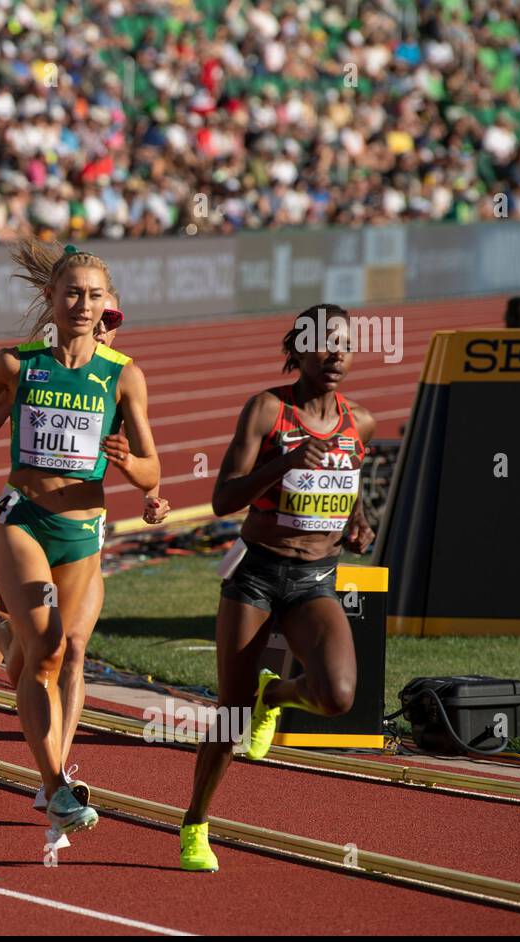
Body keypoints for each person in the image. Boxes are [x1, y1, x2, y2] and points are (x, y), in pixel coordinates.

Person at [0, 240, 161, 841]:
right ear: (50, 297)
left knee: (66, 652)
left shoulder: (124, 377)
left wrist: (130, 465)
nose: (82, 303)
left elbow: (153, 469)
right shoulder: (17, 364)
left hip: (84, 532)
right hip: (23, 519)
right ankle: (56, 788)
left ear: (107, 305)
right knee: (43, 651)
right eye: (72, 292)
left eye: (94, 295)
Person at [178, 303, 375, 872]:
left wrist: (358, 523)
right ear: (301, 347)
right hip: (257, 575)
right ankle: (196, 822)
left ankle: (277, 696)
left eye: (346, 344)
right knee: (232, 715)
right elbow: (222, 499)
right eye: (325, 343)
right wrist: (284, 463)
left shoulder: (359, 421)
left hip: (314, 579)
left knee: (337, 695)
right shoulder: (268, 410)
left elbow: (348, 488)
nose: (337, 354)